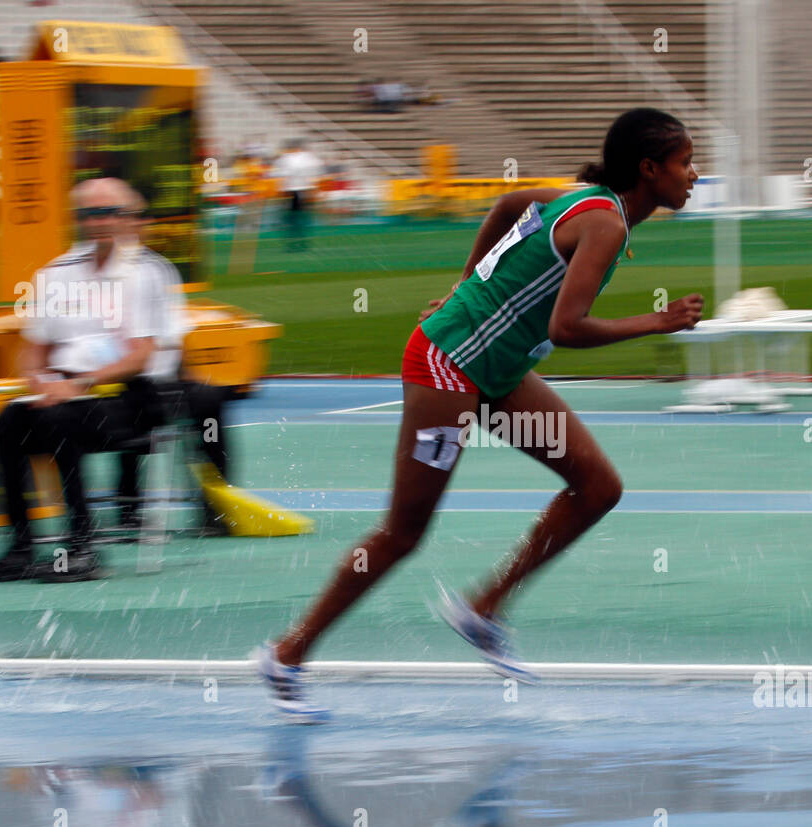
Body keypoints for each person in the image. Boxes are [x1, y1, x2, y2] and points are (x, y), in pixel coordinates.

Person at [257, 108, 704, 718]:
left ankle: (484, 608)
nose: (694, 174)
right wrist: (659, 320)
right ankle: (287, 654)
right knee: (402, 534)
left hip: (496, 371)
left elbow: (507, 204)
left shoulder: (586, 200)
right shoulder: (604, 224)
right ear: (649, 170)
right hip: (448, 366)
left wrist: (467, 281)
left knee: (598, 486)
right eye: (685, 163)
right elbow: (566, 327)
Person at [0, 178, 184, 583]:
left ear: (129, 218)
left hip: (134, 394)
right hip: (66, 390)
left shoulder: (149, 272)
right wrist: (38, 383)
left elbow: (142, 354)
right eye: (91, 214)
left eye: (110, 212)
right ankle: (21, 545)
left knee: (60, 422)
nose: (101, 221)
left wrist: (79, 384)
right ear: (78, 220)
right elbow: (34, 347)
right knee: (6, 421)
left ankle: (82, 544)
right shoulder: (56, 273)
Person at [271, 139, 323, 253]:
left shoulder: (287, 158)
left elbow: (279, 173)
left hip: (292, 190)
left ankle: (294, 242)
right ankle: (301, 242)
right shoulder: (307, 157)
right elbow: (316, 171)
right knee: (300, 217)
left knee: (292, 218)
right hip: (303, 190)